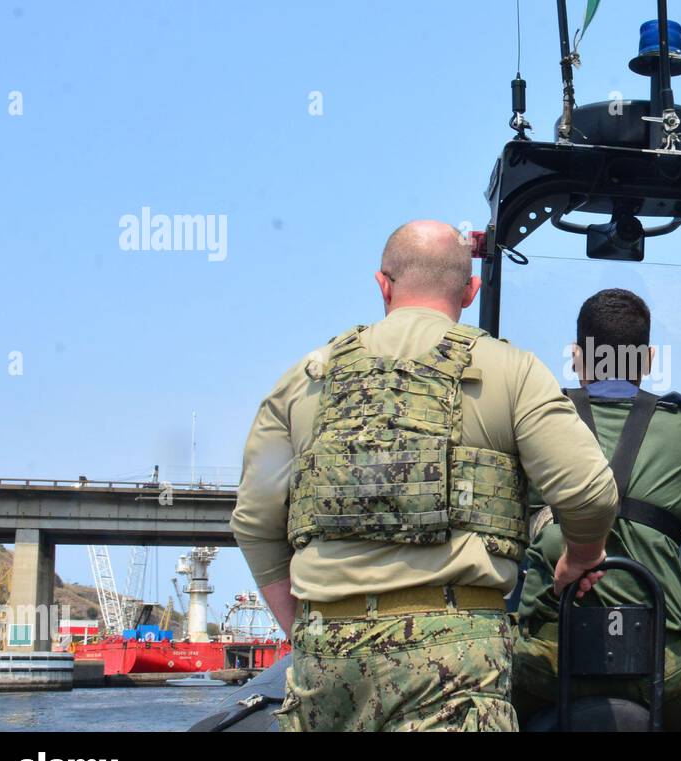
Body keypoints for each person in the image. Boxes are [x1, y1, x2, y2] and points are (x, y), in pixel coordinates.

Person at [230, 220, 619, 731]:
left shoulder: (303, 380)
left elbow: (255, 523)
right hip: (453, 660)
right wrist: (580, 557)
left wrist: (304, 627)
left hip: (326, 657)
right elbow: (589, 494)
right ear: (471, 290)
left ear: (382, 284)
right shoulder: (512, 370)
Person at [513, 289, 681, 730]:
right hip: (658, 659)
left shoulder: (531, 426)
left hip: (546, 662)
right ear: (647, 360)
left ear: (576, 357)